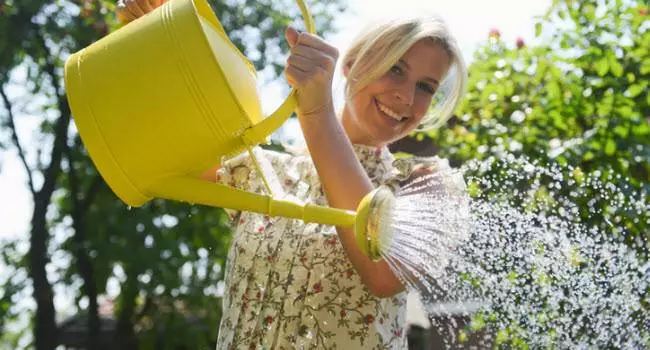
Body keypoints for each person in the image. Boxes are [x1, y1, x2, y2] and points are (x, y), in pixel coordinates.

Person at [117, 0, 468, 348]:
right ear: (351, 64)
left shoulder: (428, 186)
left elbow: (382, 274)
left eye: (426, 87)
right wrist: (151, 39)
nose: (406, 97)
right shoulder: (267, 171)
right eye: (396, 69)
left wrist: (317, 113)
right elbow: (166, 158)